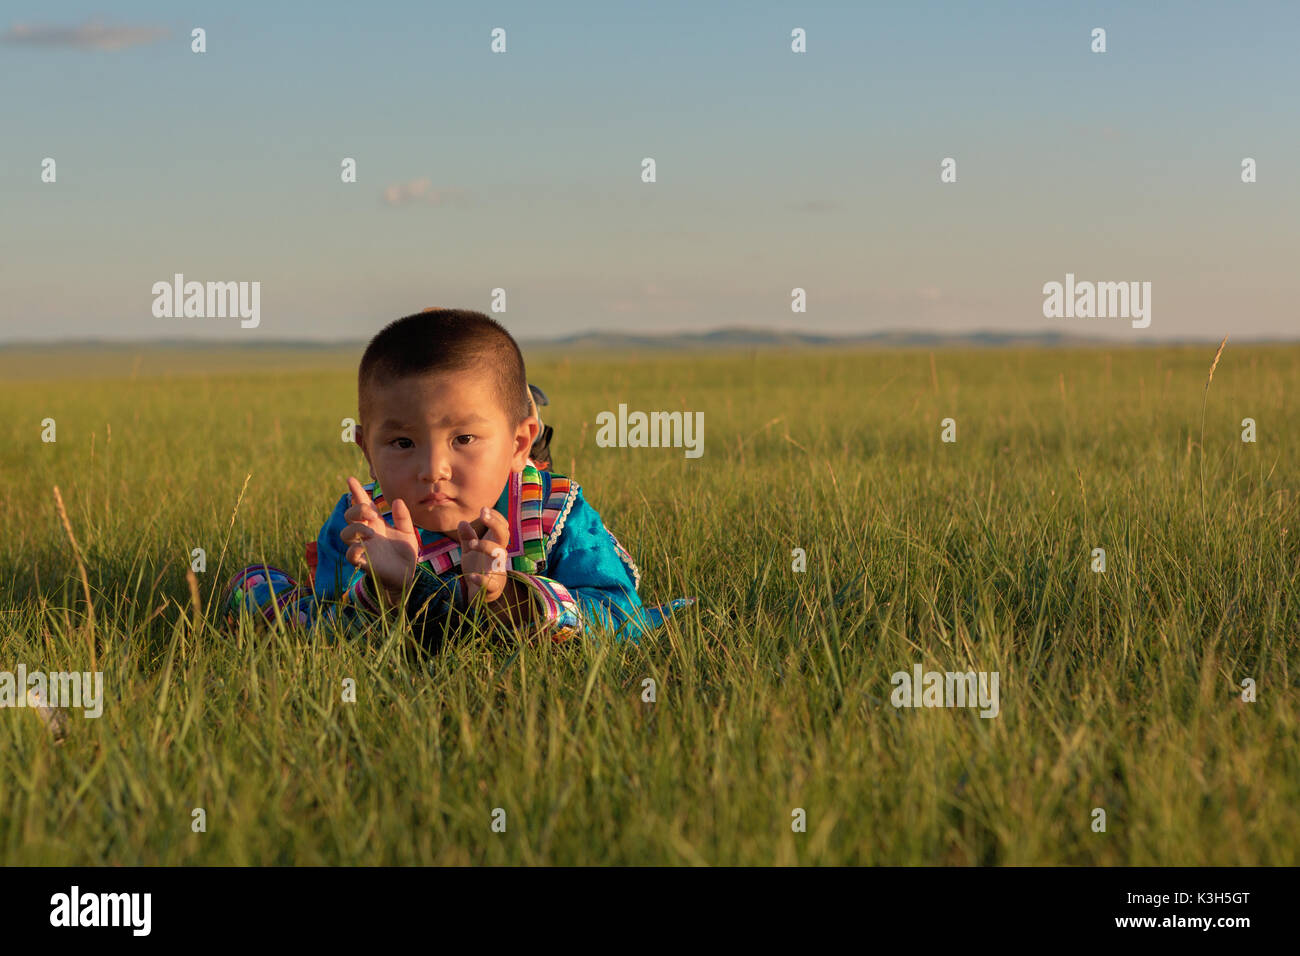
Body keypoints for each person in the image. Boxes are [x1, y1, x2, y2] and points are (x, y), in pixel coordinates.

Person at [220, 308, 694, 653]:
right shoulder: (363, 523)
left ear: (519, 442)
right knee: (264, 601)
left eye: (463, 438)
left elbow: (621, 614)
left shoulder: (551, 514)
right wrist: (391, 594)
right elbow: (327, 628)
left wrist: (506, 597)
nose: (433, 469)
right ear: (367, 451)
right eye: (402, 443)